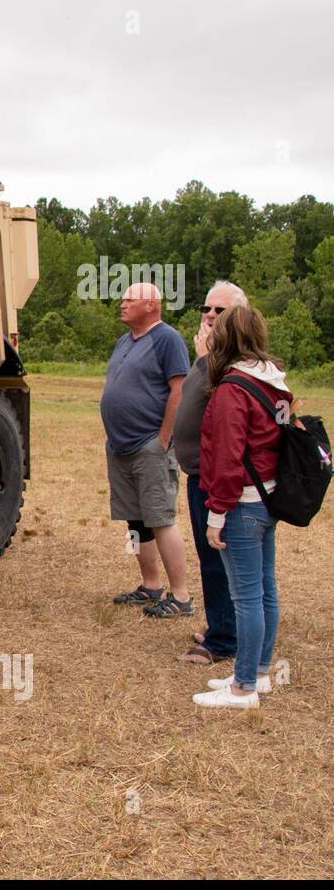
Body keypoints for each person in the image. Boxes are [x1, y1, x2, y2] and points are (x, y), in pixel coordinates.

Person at [194, 306, 292, 709]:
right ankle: (258, 672)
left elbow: (227, 458)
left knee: (247, 597)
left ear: (226, 339)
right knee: (265, 589)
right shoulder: (275, 381)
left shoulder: (233, 389)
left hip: (243, 504)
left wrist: (216, 514)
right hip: (268, 499)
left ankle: (244, 687)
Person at [101, 282, 193, 617]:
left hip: (149, 446)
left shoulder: (167, 339)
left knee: (160, 519)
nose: (122, 304)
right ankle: (151, 585)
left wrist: (163, 439)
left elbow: (179, 391)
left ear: (151, 305)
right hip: (120, 448)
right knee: (135, 521)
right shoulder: (125, 341)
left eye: (130, 299)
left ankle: (181, 597)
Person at [174, 281, 248, 664]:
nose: (210, 316)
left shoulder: (231, 361)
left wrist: (204, 360)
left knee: (219, 558)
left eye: (221, 311)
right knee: (210, 557)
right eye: (207, 308)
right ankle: (222, 624)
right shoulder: (211, 356)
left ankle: (224, 639)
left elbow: (219, 403)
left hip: (216, 478)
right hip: (198, 474)